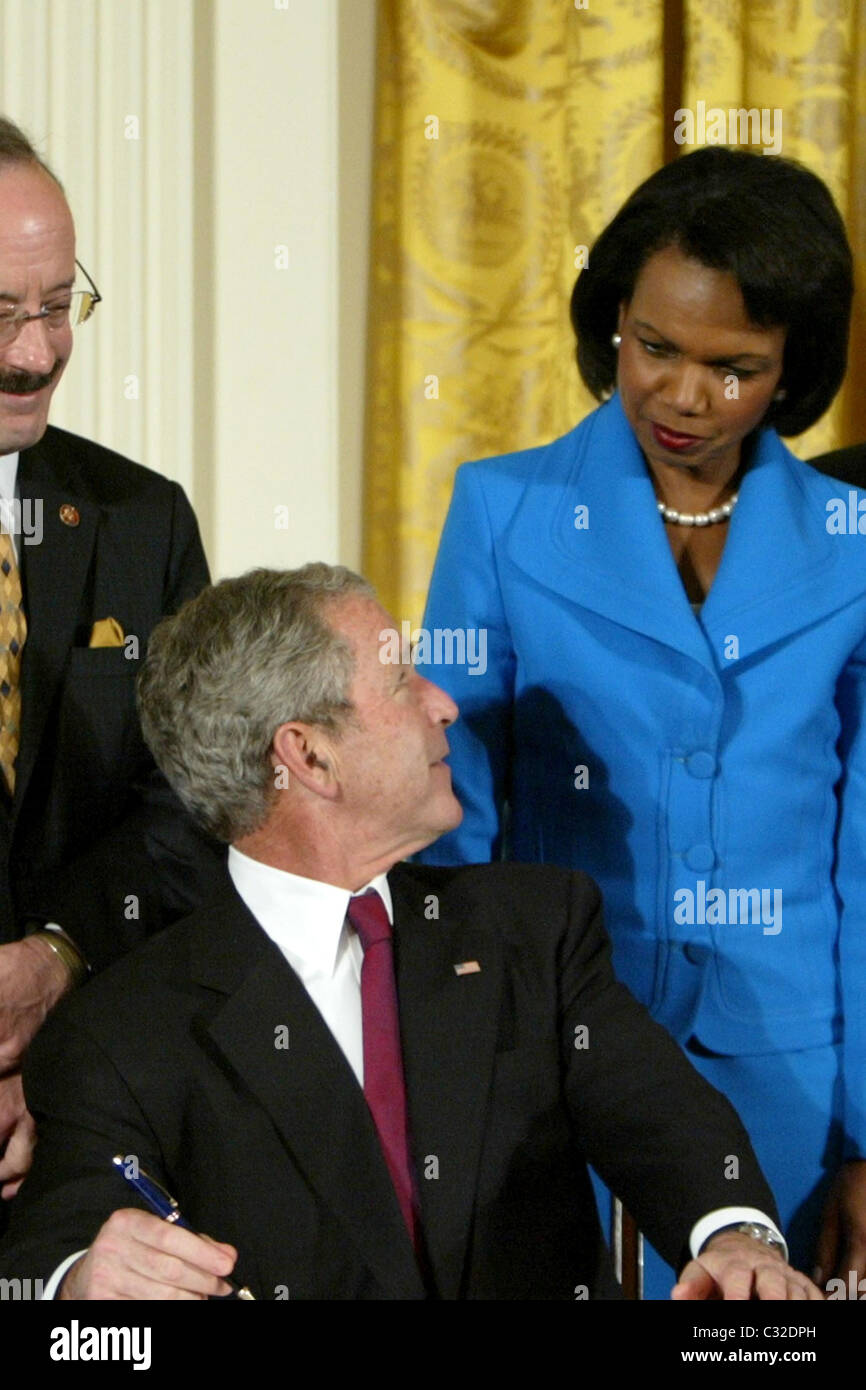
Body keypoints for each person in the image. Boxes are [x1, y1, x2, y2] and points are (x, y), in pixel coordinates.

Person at [0, 565, 822, 1300]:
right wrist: (79, 1284)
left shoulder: (534, 931)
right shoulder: (123, 1030)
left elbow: (660, 1116)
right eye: (402, 680)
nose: (445, 703)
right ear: (310, 757)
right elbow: (53, 1250)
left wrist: (736, 1238)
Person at [419, 146, 866, 1298]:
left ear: (793, 368)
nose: (680, 395)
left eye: (734, 367)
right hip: (556, 1060)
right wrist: (453, 1068)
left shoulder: (853, 542)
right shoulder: (501, 512)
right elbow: (449, 826)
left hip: (790, 1074)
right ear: (610, 319)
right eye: (653, 346)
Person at [0, 117, 220, 1211]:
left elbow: (194, 811)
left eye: (55, 303)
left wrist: (55, 960)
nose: (35, 352)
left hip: (92, 1114)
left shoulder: (141, 523)